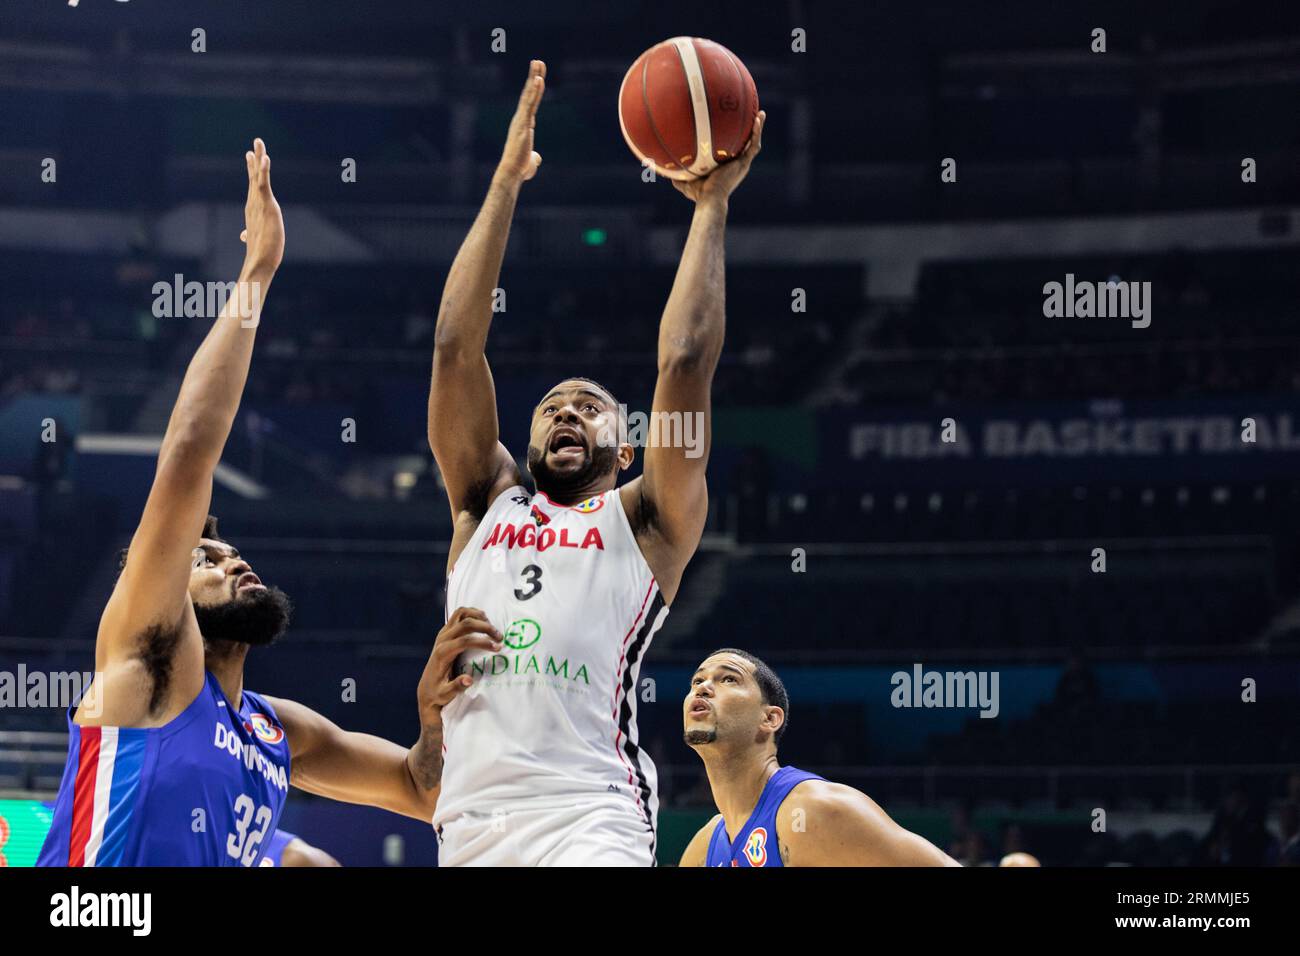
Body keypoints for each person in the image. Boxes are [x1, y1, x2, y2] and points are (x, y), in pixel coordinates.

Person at [37, 142, 483, 866]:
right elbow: (185, 459)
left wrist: (431, 718)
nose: (231, 558)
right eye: (204, 558)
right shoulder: (150, 660)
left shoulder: (279, 733)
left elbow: (420, 791)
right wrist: (254, 277)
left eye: (228, 550)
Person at [425, 59, 765, 866]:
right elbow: (452, 348)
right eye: (551, 407)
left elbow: (684, 364)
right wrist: (505, 182)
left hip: (591, 814)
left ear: (628, 448)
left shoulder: (647, 520)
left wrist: (712, 205)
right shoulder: (484, 502)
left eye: (589, 407)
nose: (566, 413)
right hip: (471, 820)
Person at [678, 648, 959, 866]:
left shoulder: (814, 812)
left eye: (729, 679)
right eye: (697, 680)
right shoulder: (702, 850)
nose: (702, 688)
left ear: (770, 718)